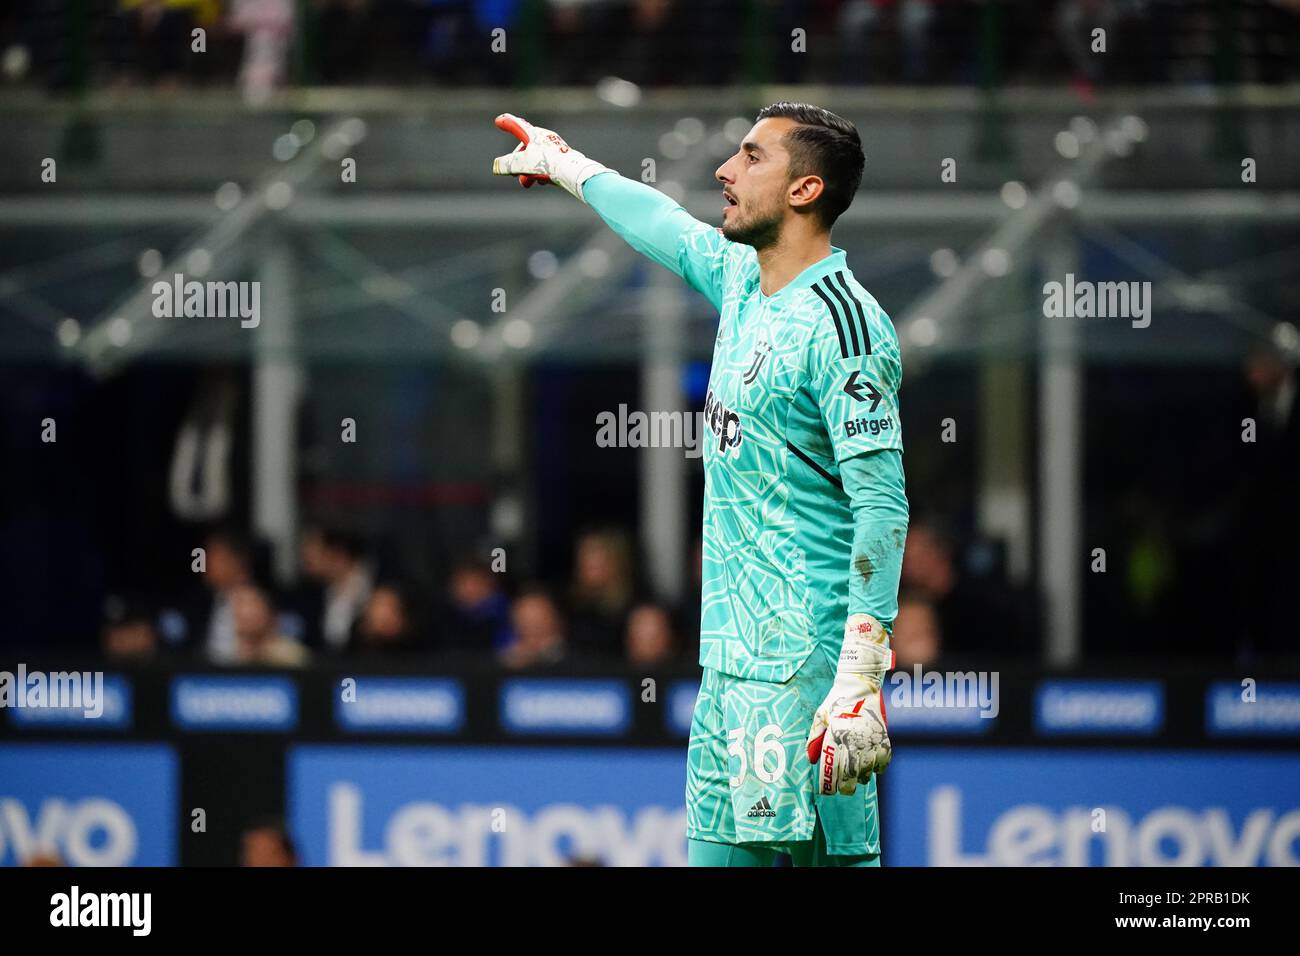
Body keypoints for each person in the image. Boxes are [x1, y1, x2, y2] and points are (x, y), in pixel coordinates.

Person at [492, 103, 908, 867]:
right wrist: (567, 164)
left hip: (802, 665)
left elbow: (882, 504)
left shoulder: (846, 326)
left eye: (751, 158)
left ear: (804, 191)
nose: (726, 169)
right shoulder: (744, 280)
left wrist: (859, 677)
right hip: (728, 662)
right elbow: (661, 222)